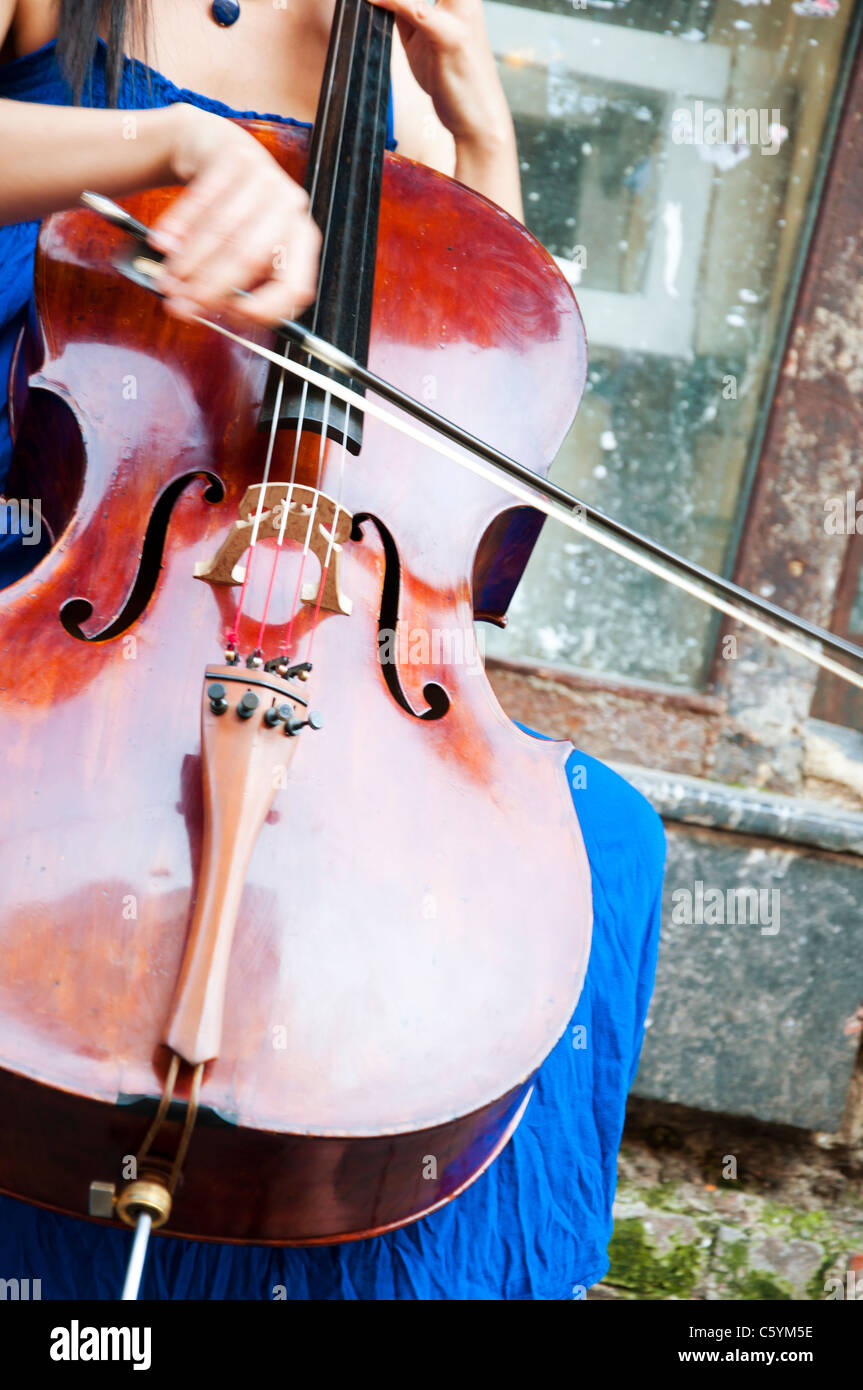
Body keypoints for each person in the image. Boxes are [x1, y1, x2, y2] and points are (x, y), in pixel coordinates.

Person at [0, 0, 666, 1299]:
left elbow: (483, 370)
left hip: (314, 616)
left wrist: (472, 105)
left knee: (611, 851)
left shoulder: (389, 60)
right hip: (67, 549)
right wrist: (161, 155)